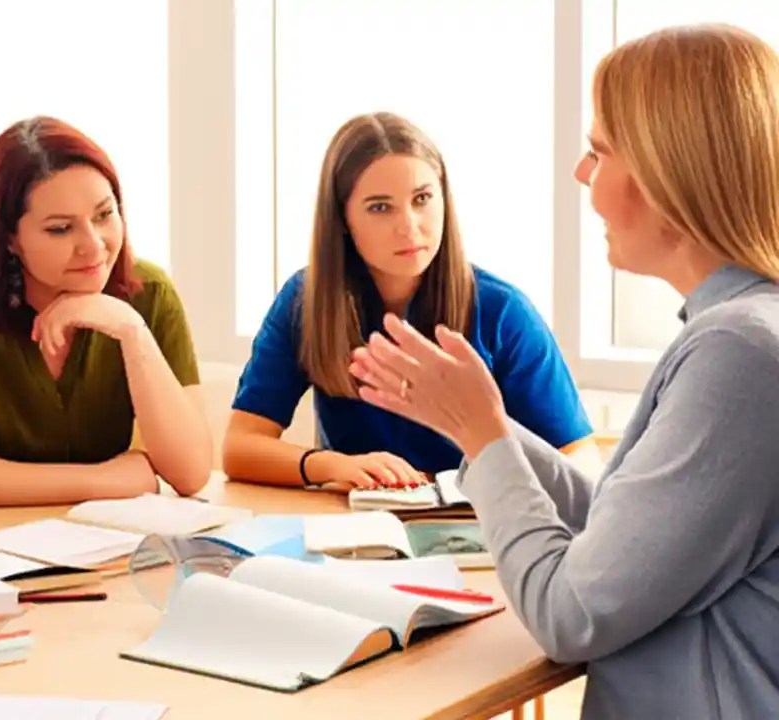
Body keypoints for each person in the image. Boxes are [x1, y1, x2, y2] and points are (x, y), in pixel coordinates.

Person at [349, 24, 779, 719]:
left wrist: (485, 436)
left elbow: (571, 613)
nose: (583, 174)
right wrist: (478, 426)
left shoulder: (740, 356)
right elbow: (622, 535)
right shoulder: (742, 331)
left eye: (599, 151)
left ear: (671, 174)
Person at [224, 112, 597, 492]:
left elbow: (580, 459)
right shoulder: (305, 301)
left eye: (422, 199)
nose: (410, 226)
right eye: (380, 208)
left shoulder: (502, 311)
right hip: (355, 530)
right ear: (342, 220)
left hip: (477, 527)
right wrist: (334, 465)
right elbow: (239, 448)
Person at [0, 116, 212, 508]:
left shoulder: (147, 293)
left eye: (104, 215)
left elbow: (191, 473)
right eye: (60, 229)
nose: (94, 246)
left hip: (82, 552)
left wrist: (131, 330)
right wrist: (100, 481)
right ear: (10, 239)